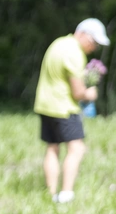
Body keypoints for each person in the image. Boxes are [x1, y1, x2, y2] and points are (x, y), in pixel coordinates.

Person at [33, 18, 110, 203]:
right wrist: (91, 93)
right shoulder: (74, 53)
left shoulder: (58, 44)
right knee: (77, 149)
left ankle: (50, 194)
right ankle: (66, 195)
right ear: (82, 34)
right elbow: (78, 93)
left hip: (45, 105)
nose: (94, 47)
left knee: (52, 147)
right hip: (64, 108)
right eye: (93, 42)